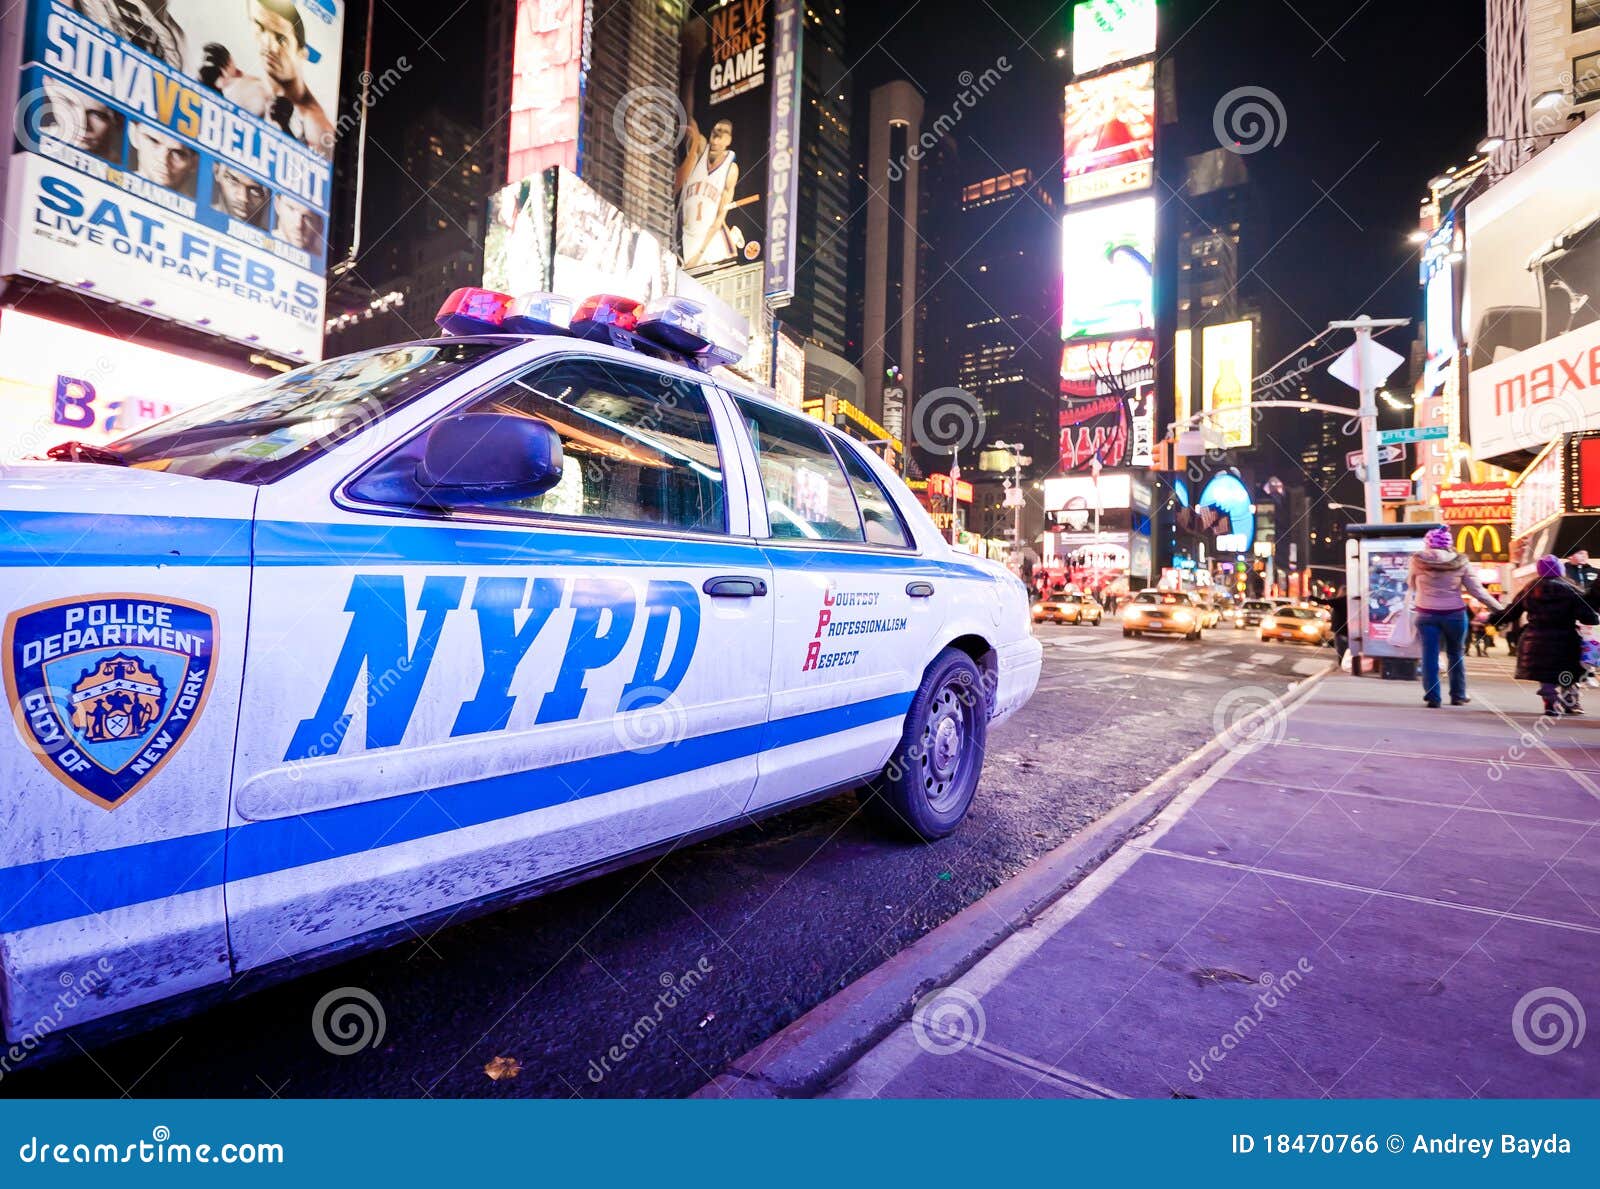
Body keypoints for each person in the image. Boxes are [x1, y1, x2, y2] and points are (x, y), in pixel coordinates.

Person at [1408, 525, 1503, 707]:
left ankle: (1433, 697)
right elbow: (1477, 591)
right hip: (1454, 615)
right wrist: (1499, 609)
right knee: (1455, 654)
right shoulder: (1461, 562)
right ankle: (1458, 695)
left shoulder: (1417, 561)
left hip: (1425, 614)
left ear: (1428, 543)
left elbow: (1410, 584)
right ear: (1448, 544)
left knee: (1429, 655)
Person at [1495, 555, 1600, 715]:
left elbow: (1512, 611)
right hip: (1566, 639)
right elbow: (1587, 616)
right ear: (1560, 570)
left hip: (1534, 639)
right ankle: (1570, 702)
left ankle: (1550, 701)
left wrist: (1494, 619)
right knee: (1570, 671)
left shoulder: (1530, 588)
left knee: (1545, 675)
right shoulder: (1570, 588)